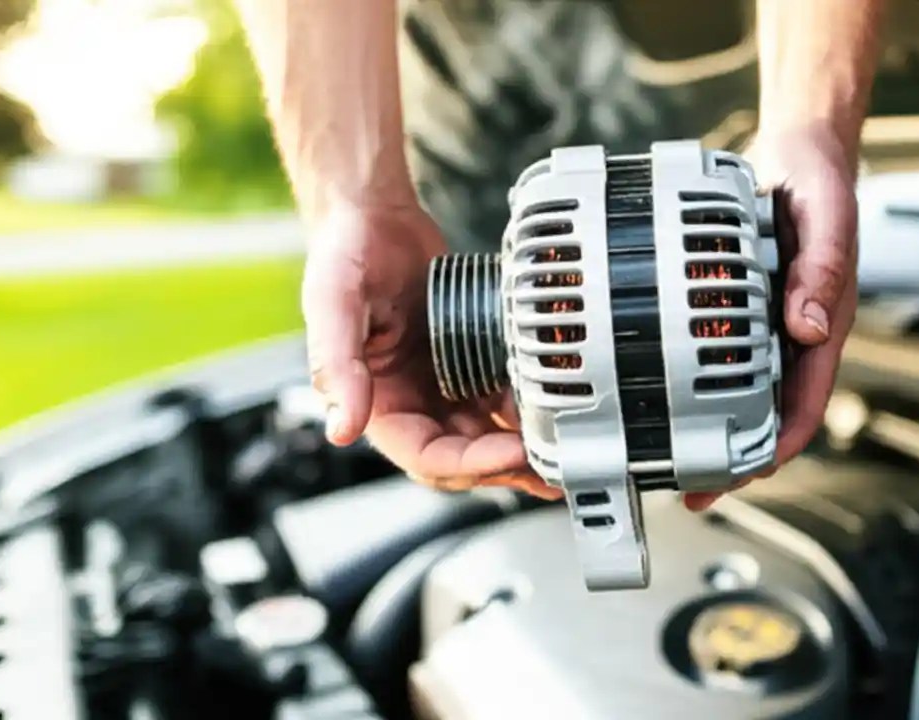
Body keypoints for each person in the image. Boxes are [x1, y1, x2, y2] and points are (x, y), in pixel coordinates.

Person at [234, 0, 884, 509]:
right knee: (509, 453)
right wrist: (357, 198)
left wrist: (809, 123)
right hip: (460, 87)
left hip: (725, 67)